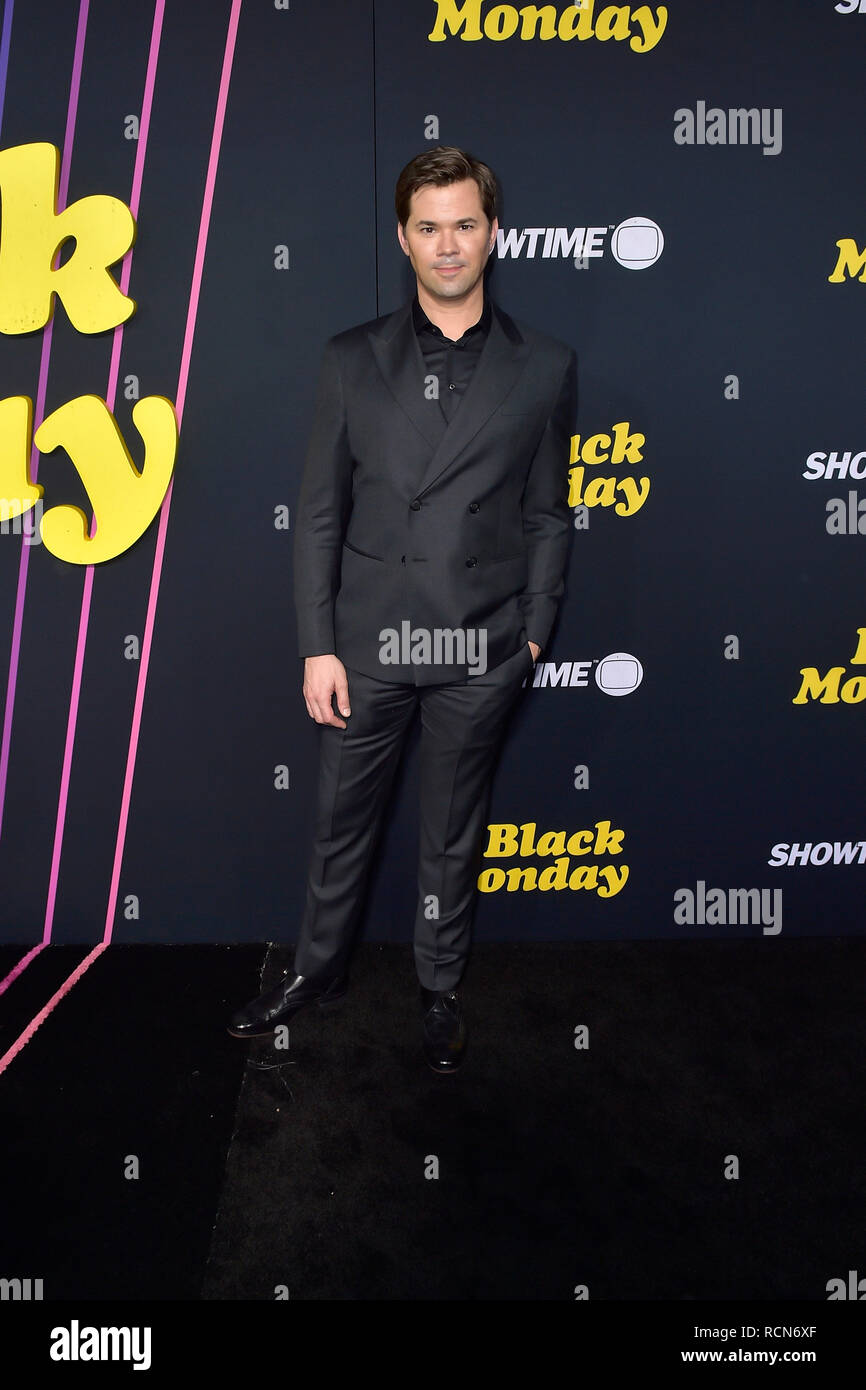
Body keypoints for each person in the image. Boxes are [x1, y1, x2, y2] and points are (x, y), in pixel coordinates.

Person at [227, 146, 578, 1072]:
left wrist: (533, 628)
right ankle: (316, 971)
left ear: (492, 233)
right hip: (368, 642)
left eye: (465, 223)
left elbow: (548, 510)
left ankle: (438, 985)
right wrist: (317, 645)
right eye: (429, 227)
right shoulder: (350, 359)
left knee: (453, 830)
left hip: (481, 642)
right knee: (342, 822)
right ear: (403, 238)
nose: (449, 244)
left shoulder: (544, 366)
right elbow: (318, 514)